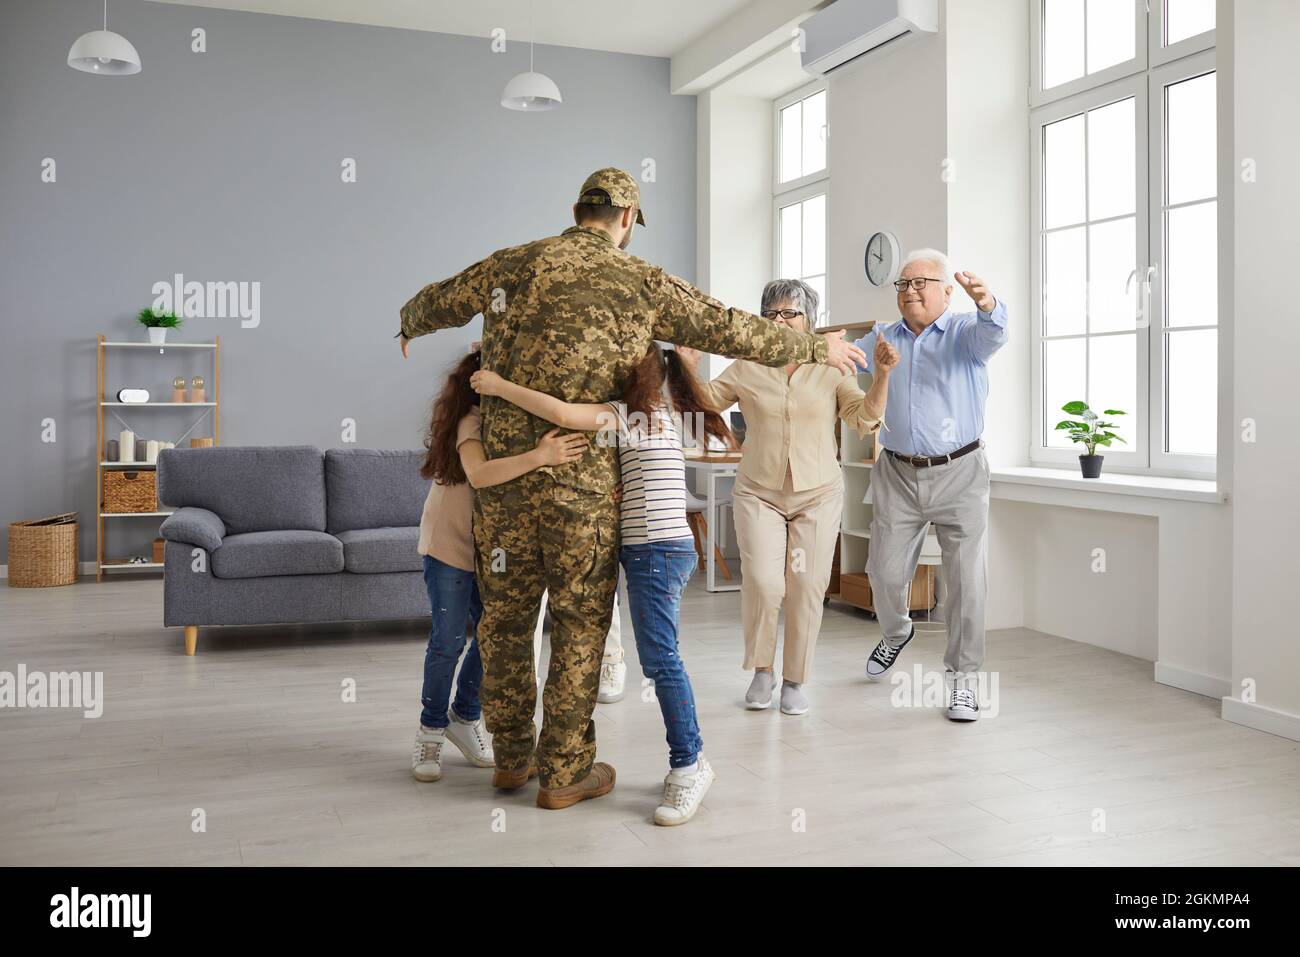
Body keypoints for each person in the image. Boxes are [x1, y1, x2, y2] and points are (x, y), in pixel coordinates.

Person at [399, 168, 866, 810]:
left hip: (504, 489)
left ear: (577, 209)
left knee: (504, 623)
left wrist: (408, 324)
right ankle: (563, 773)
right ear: (626, 220)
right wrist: (812, 344)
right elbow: (728, 325)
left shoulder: (510, 264)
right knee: (578, 628)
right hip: (583, 495)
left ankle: (511, 760)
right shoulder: (641, 280)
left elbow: (440, 299)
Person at [472, 341, 725, 825]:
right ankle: (687, 760)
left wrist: (501, 385)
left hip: (658, 551)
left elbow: (561, 411)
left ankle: (690, 764)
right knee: (661, 658)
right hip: (649, 549)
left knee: (660, 660)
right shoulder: (655, 414)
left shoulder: (631, 413)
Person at [678, 279, 897, 716]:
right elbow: (703, 405)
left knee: (807, 587)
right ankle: (763, 671)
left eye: (790, 313)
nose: (780, 321)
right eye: (772, 314)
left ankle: (795, 680)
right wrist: (686, 367)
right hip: (759, 491)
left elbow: (863, 419)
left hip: (818, 494)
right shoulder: (747, 365)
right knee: (763, 582)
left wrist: (884, 376)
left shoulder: (832, 367)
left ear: (808, 320)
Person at [411, 347, 589, 782]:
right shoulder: (471, 419)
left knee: (495, 637)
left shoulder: (518, 419)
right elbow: (480, 475)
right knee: (447, 642)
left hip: (495, 550)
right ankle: (430, 732)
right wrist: (540, 456)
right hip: (451, 546)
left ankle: (464, 715)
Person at [851, 249, 1008, 721]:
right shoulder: (883, 336)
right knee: (883, 572)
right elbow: (847, 359)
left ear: (947, 291)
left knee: (965, 583)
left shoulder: (966, 333)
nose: (910, 290)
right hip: (897, 472)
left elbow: (995, 331)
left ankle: (963, 681)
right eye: (903, 283)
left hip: (961, 472)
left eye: (921, 282)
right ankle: (898, 632)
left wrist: (988, 303)